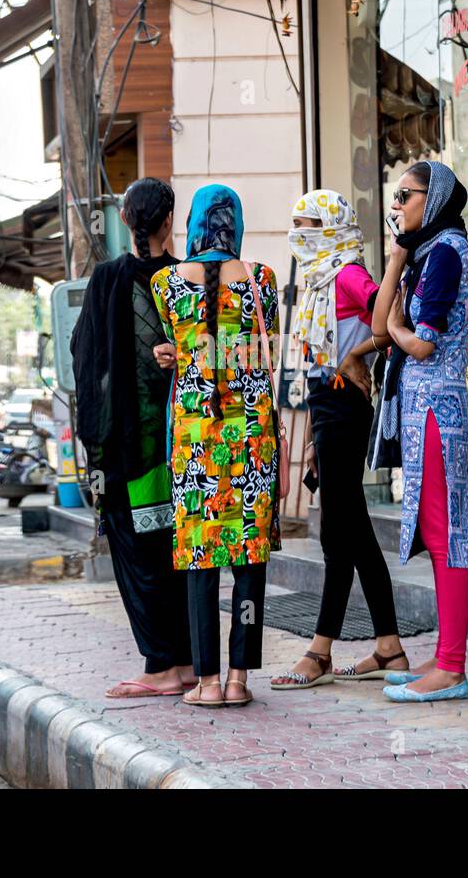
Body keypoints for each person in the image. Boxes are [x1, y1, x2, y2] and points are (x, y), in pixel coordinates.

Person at [270, 189, 409, 690]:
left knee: (338, 531)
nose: (299, 234)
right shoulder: (319, 278)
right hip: (325, 403)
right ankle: (389, 648)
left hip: (345, 402)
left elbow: (394, 321)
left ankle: (320, 650)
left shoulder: (348, 274)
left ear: (331, 229)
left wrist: (358, 356)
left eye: (308, 225)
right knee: (355, 531)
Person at [150, 184, 281, 708]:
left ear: (196, 224)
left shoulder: (164, 283)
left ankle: (206, 683)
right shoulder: (261, 280)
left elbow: (184, 345)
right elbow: (255, 341)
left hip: (196, 439)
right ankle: (239, 680)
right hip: (251, 438)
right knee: (249, 559)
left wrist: (178, 353)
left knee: (201, 561)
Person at [70, 177, 194, 699]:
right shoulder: (187, 280)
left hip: (129, 451)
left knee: (138, 552)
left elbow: (85, 357)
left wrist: (94, 443)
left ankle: (161, 665)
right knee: (179, 551)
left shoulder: (107, 279)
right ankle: (188, 660)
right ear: (170, 221)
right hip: (185, 445)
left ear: (125, 221)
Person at [370, 160, 468, 703]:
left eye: (405, 195)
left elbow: (421, 343)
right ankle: (443, 659)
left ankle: (452, 666)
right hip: (424, 408)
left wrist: (396, 328)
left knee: (447, 536)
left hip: (438, 406)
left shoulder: (446, 254)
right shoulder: (424, 252)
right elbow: (377, 326)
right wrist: (396, 255)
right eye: (395, 196)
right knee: (437, 536)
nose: (397, 205)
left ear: (433, 199)